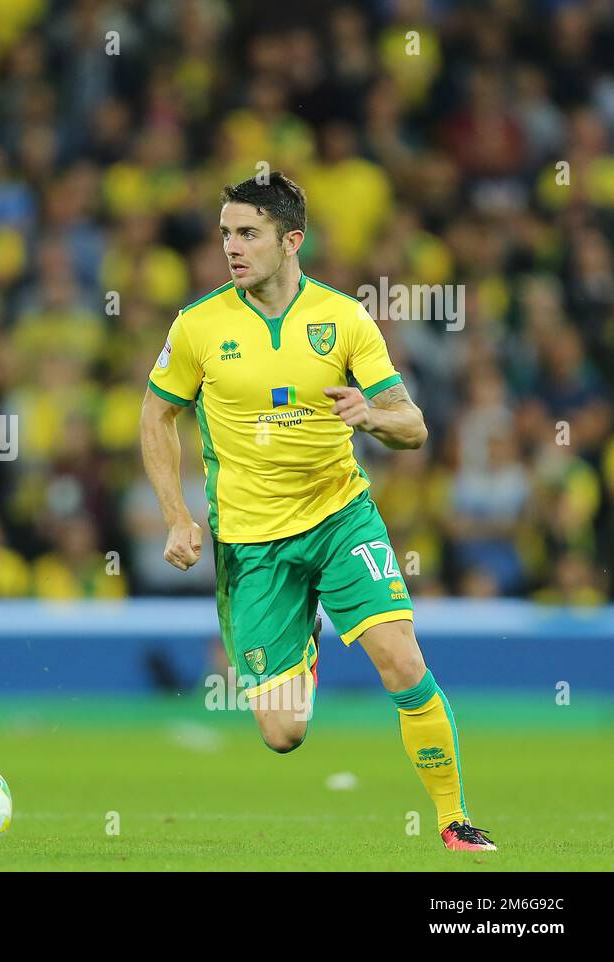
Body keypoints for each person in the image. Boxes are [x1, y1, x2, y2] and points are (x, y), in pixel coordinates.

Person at [139, 172, 495, 852]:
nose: (231, 248)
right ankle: (302, 643)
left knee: (401, 660)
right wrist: (176, 516)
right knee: (284, 732)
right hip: (251, 543)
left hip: (340, 518)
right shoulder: (197, 325)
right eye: (225, 235)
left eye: (247, 234)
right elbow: (156, 415)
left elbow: (413, 423)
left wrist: (374, 415)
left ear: (290, 240)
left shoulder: (344, 318)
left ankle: (454, 821)